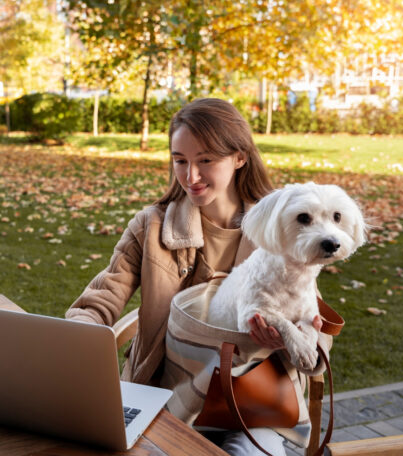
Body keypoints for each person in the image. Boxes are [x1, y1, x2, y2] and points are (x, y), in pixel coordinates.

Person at [66, 98, 325, 455]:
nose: (191, 176)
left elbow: (314, 320)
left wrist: (290, 337)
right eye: (180, 161)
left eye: (205, 160)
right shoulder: (151, 226)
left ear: (239, 157)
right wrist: (77, 333)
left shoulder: (281, 228)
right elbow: (104, 296)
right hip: (169, 399)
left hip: (260, 405)